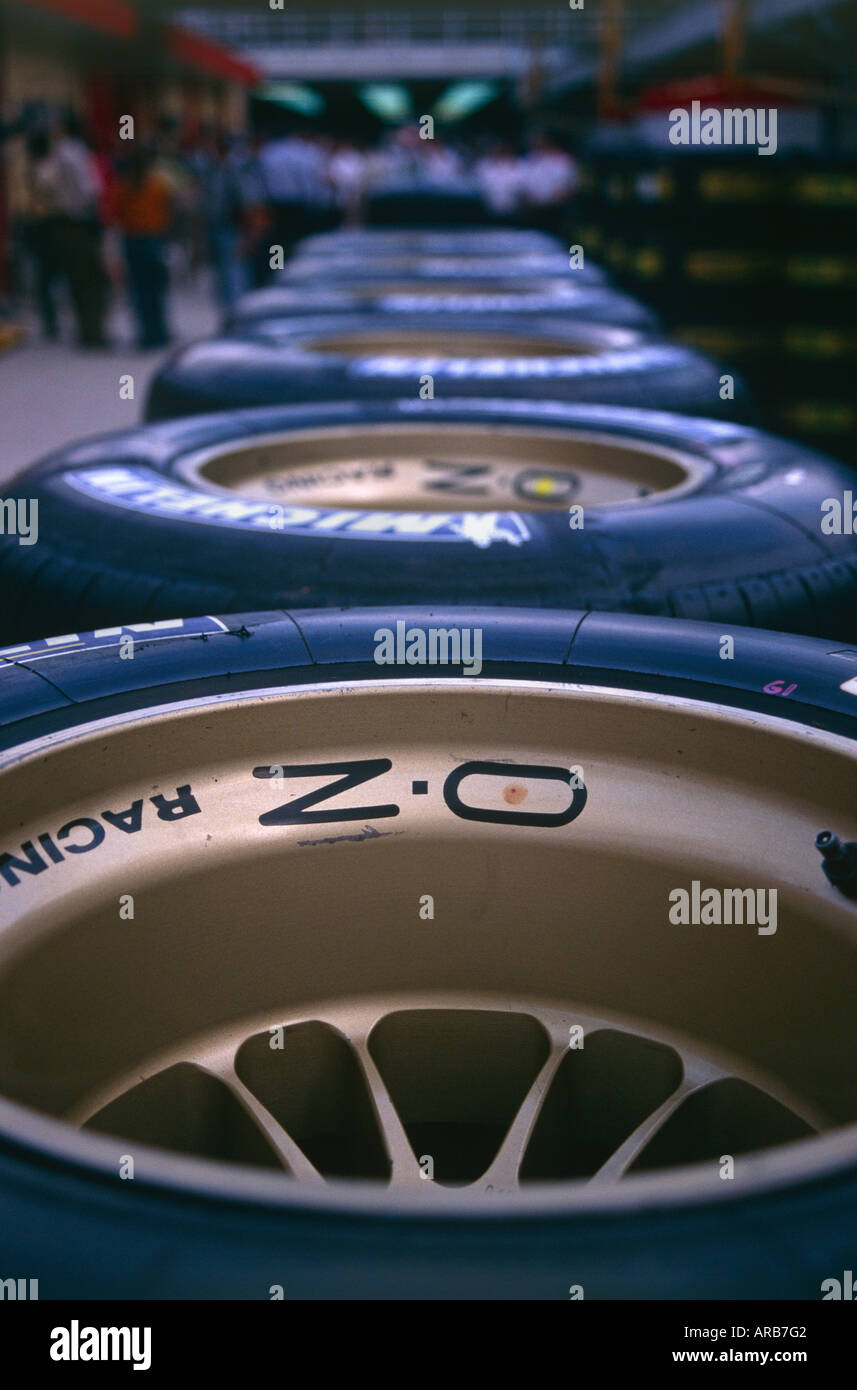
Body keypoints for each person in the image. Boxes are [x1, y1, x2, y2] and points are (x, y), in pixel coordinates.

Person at [28, 118, 109, 346]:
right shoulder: (71, 152)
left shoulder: (64, 154)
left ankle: (90, 330)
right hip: (77, 222)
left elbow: (48, 184)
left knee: (81, 280)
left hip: (70, 222)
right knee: (88, 280)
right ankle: (93, 332)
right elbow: (90, 189)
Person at [115, 146, 173, 349]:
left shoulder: (124, 187)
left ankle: (146, 333)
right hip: (153, 239)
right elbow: (167, 212)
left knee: (139, 289)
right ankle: (159, 330)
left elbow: (118, 215)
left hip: (133, 240)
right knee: (156, 287)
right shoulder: (157, 186)